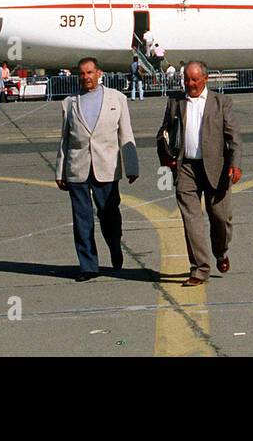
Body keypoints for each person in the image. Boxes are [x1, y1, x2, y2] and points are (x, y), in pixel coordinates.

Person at [157, 60, 242, 286]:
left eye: (194, 79)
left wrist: (235, 164)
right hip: (186, 168)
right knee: (191, 221)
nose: (190, 84)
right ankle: (199, 269)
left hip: (217, 168)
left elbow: (233, 136)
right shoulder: (175, 102)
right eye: (187, 79)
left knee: (220, 219)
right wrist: (166, 158)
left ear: (205, 79)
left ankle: (221, 252)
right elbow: (163, 133)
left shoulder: (221, 102)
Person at [55, 57, 138, 282]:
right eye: (82, 74)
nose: (86, 77)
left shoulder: (117, 99)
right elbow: (64, 140)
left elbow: (126, 134)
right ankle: (88, 265)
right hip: (78, 168)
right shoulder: (69, 103)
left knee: (109, 215)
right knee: (82, 219)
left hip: (107, 167)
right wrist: (60, 171)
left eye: (90, 73)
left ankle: (114, 247)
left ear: (99, 73)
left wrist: (132, 167)